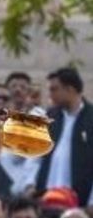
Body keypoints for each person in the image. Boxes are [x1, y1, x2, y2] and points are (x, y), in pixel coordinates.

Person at [35, 68, 93, 207]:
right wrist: (30, 184)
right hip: (47, 198)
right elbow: (36, 156)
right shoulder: (50, 117)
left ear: (70, 89)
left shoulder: (90, 118)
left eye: (54, 89)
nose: (50, 95)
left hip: (79, 203)